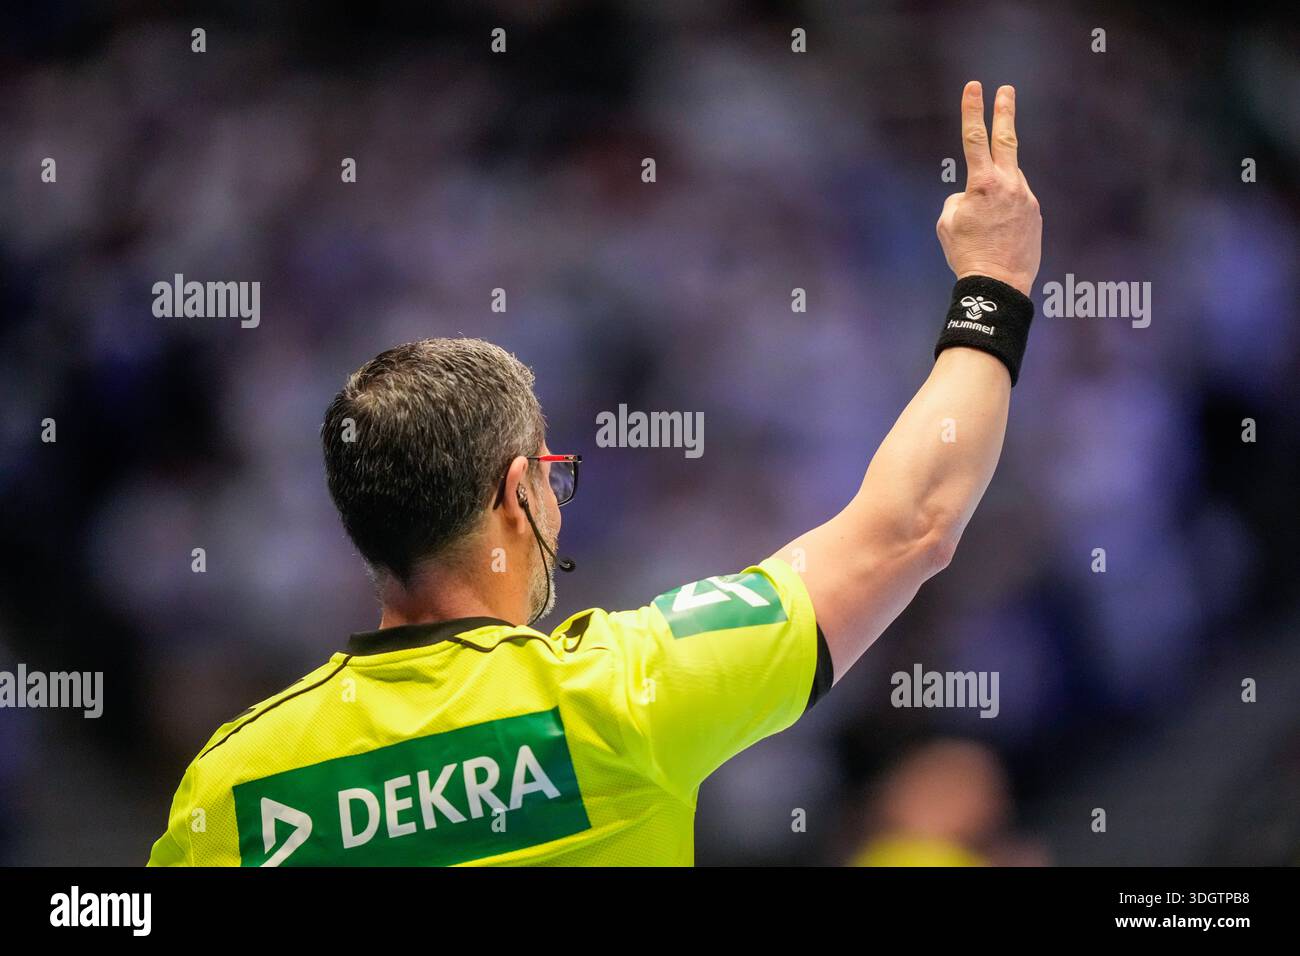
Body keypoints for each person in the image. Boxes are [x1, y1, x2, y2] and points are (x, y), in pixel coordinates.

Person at [147, 81, 1041, 866]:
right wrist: (994, 280)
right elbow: (913, 523)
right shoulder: (620, 697)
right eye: (552, 477)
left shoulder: (232, 787)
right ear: (513, 494)